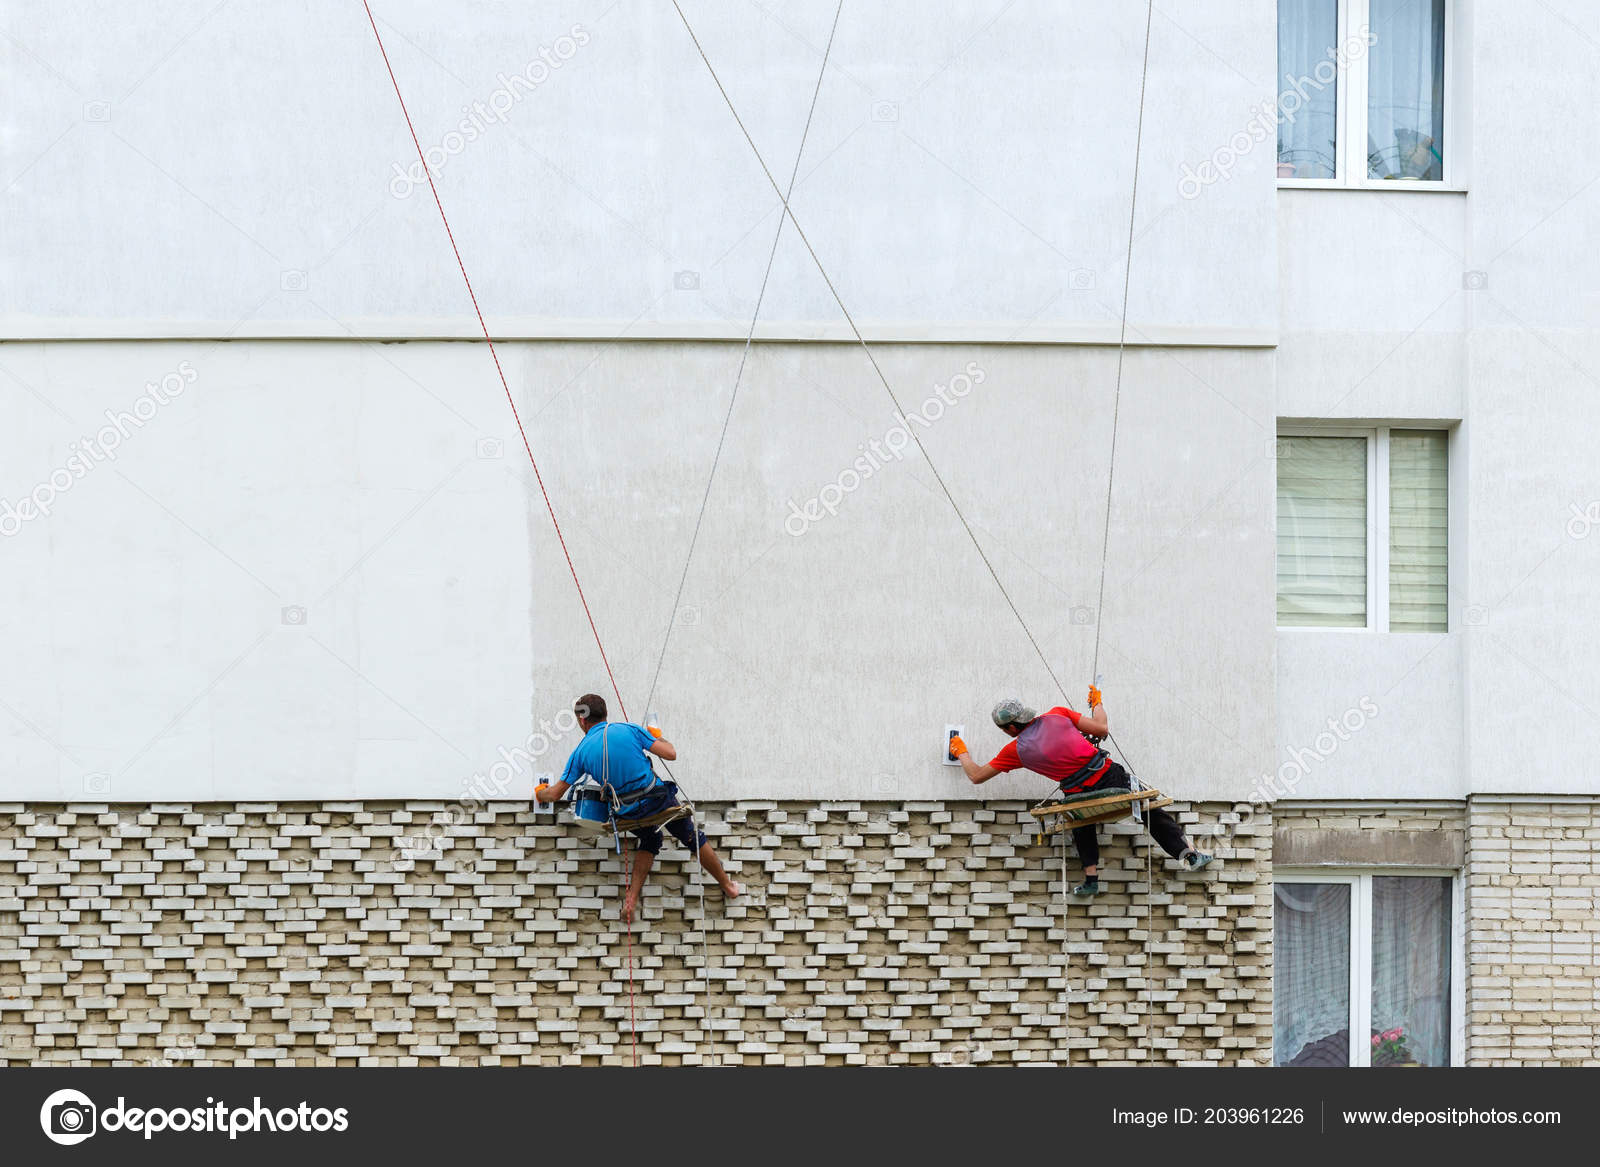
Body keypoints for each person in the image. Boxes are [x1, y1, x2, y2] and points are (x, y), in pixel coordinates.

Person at [949, 686, 1212, 896]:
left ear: (1011, 729)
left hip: (1077, 792)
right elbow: (1102, 728)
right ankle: (1186, 854)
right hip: (1110, 778)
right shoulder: (1058, 714)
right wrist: (1097, 702)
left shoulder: (1014, 751)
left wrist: (961, 752)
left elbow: (976, 776)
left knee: (1079, 816)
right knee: (1150, 810)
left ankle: (1091, 878)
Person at [535, 693, 739, 922]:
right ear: (606, 713)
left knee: (651, 839)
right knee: (692, 837)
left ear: (582, 720)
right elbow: (671, 754)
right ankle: (728, 885)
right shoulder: (629, 730)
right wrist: (657, 737)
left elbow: (554, 794)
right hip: (658, 801)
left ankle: (631, 899)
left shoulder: (580, 752)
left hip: (629, 811)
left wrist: (539, 792)